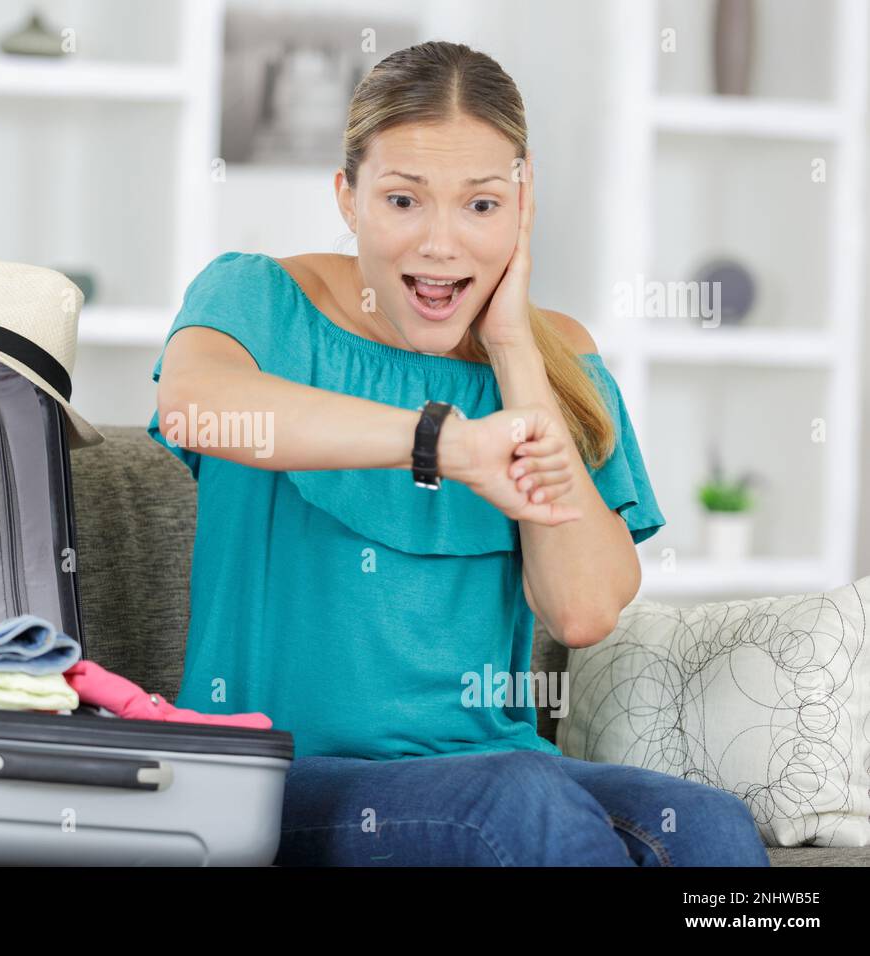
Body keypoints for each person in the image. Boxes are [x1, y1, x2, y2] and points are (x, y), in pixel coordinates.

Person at [147, 40, 769, 866]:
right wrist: (445, 444)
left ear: (522, 206)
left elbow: (583, 610)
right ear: (348, 196)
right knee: (523, 806)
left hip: (496, 772)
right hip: (271, 780)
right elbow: (198, 410)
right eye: (404, 201)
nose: (442, 244)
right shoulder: (259, 300)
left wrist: (514, 348)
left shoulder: (555, 358)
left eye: (481, 206)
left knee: (711, 828)